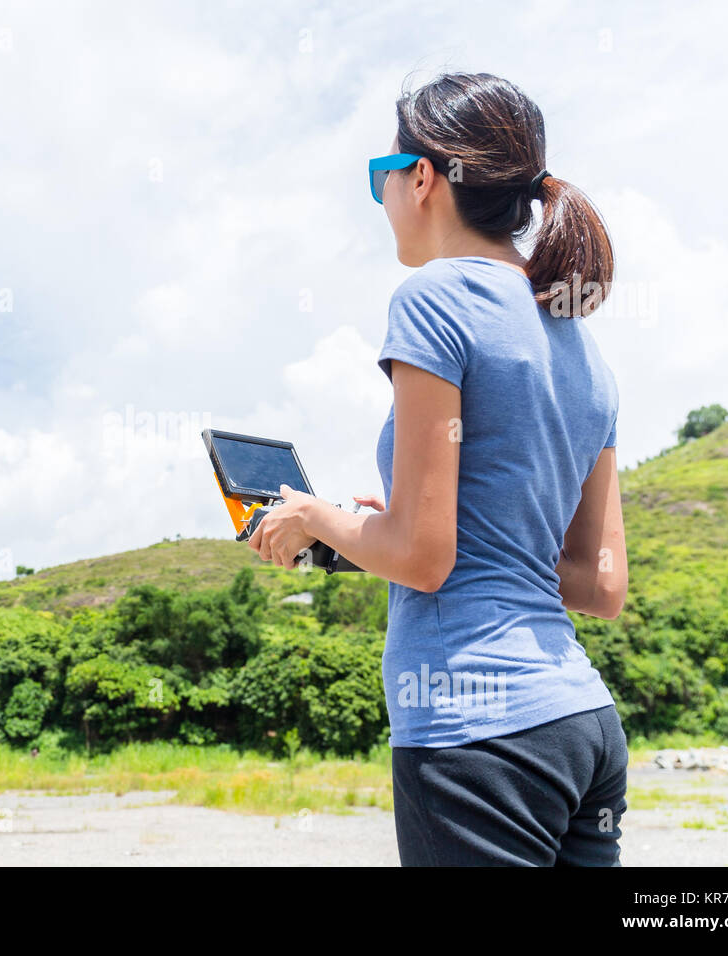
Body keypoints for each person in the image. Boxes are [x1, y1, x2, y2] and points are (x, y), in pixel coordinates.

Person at [247, 72, 629, 866]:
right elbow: (599, 584)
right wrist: (391, 529)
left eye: (381, 178)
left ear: (422, 177)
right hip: (582, 727)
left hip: (476, 731)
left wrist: (316, 517)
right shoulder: (583, 348)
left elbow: (425, 559)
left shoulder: (435, 300)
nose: (383, 197)